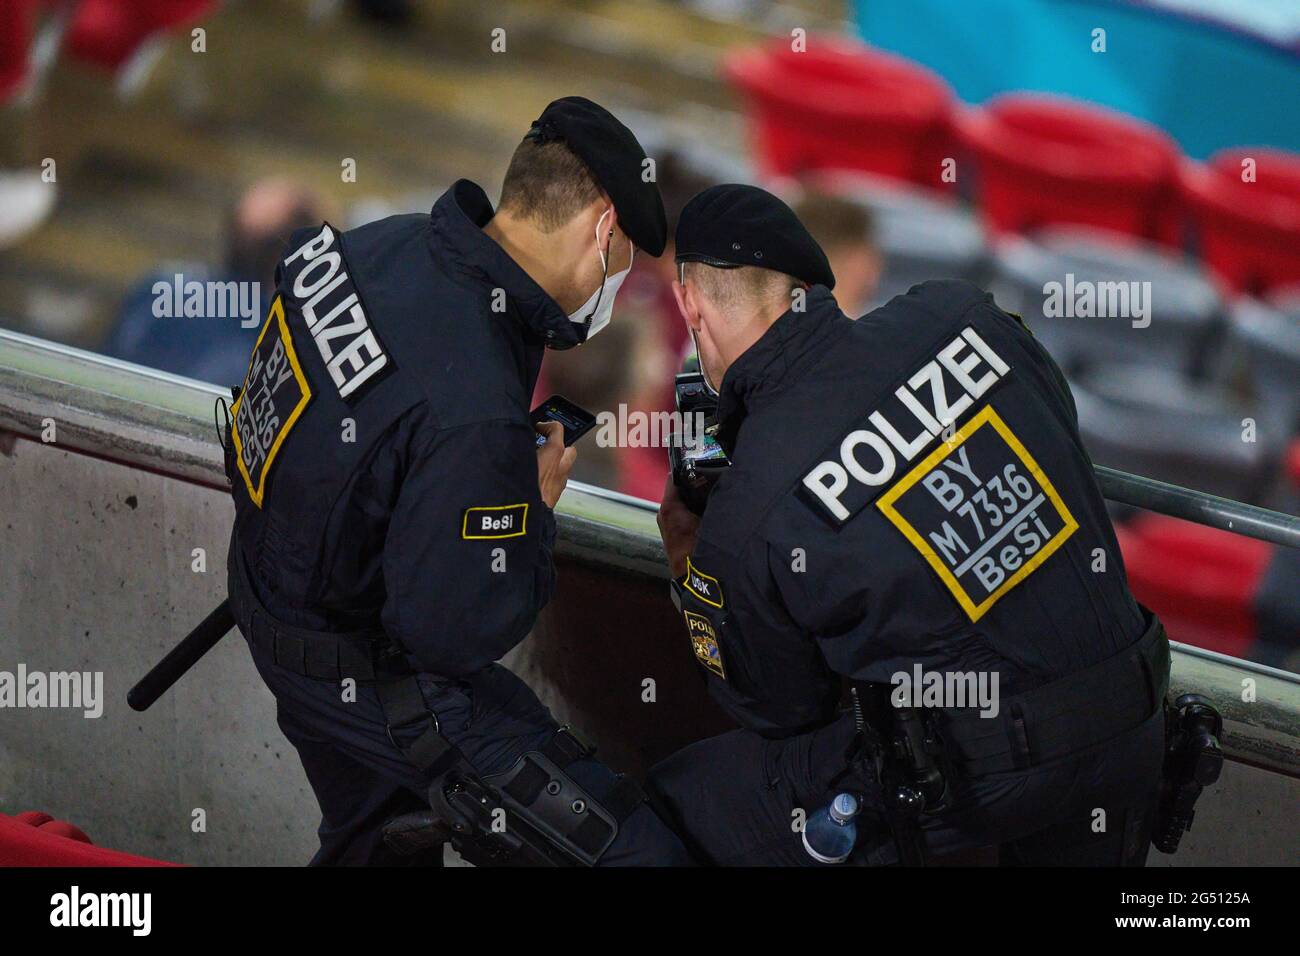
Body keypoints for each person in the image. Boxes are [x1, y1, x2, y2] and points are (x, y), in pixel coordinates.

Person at [222, 96, 691, 866]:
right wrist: (528, 510)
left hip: (266, 590)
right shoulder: (472, 410)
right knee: (640, 855)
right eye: (625, 260)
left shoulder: (375, 247)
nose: (618, 281)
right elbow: (449, 632)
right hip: (367, 670)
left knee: (374, 843)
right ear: (603, 230)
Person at [647, 184, 1171, 866]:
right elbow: (1058, 422)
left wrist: (688, 550)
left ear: (690, 302)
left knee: (676, 806)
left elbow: (780, 711)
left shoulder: (747, 508)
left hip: (984, 777)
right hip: (1139, 720)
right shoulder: (965, 314)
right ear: (811, 287)